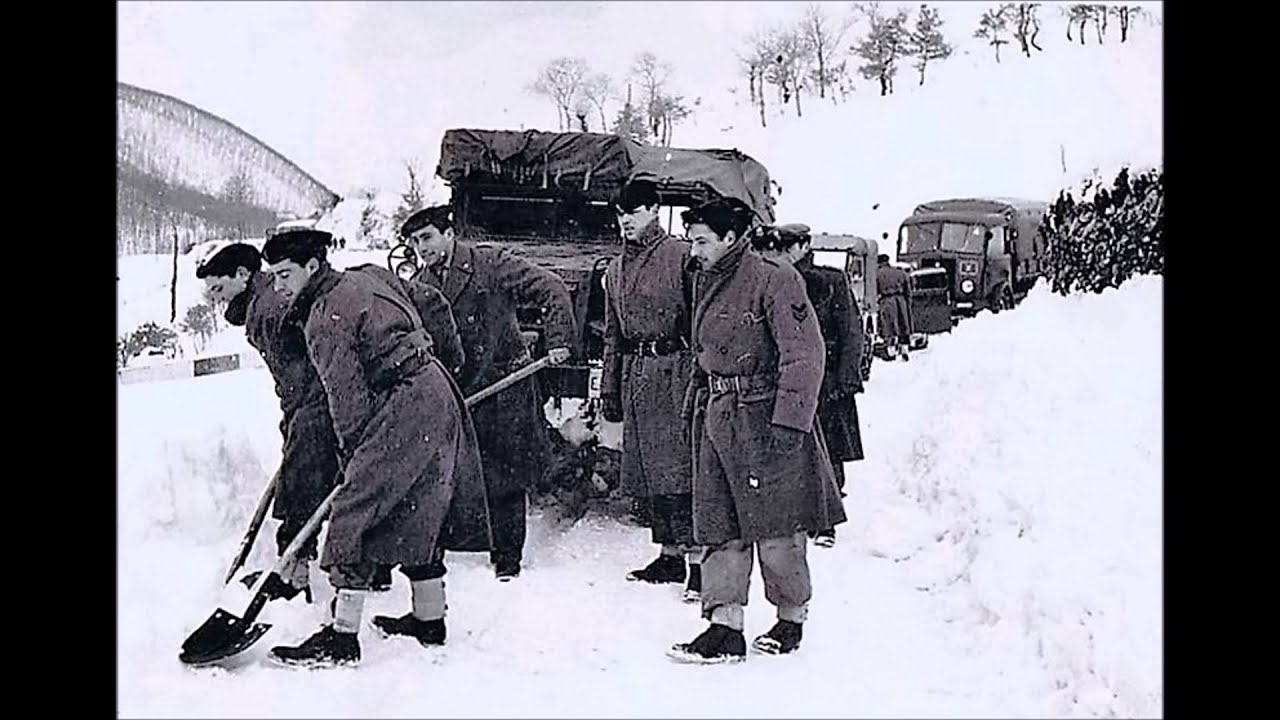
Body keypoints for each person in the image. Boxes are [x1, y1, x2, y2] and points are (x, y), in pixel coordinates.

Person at [260, 229, 492, 667]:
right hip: (436, 388)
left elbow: (345, 399)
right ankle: (430, 618)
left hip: (402, 403)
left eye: (285, 275)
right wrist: (446, 361)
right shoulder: (369, 274)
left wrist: (353, 460)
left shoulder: (323, 317)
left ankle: (341, 636)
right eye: (273, 277)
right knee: (421, 502)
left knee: (355, 510)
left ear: (312, 267)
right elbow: (433, 303)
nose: (279, 286)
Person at [669, 198, 847, 664]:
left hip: (763, 416)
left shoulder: (775, 278)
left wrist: (790, 422)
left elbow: (805, 355)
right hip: (718, 414)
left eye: (702, 241)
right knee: (719, 521)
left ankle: (791, 618)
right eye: (692, 241)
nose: (694, 250)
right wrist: (695, 403)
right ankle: (724, 627)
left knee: (777, 525)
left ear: (731, 237)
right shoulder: (707, 277)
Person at [401, 205, 576, 581]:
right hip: (463, 390)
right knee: (460, 469)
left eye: (427, 237)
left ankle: (508, 557)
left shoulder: (491, 263)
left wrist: (559, 341)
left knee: (507, 471)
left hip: (506, 385)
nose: (421, 247)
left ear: (449, 233)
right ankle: (461, 541)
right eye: (415, 242)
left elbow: (552, 288)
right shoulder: (421, 282)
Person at [195, 241, 337, 604]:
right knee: (305, 483)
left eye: (219, 288)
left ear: (243, 275)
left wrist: (298, 421)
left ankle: (294, 575)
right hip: (312, 403)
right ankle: (299, 568)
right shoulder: (264, 300)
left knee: (302, 484)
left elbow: (299, 374)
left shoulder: (266, 308)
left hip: (315, 405)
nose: (215, 298)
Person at [600, 180, 703, 601]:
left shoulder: (682, 256)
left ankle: (698, 564)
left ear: (655, 211)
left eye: (635, 213)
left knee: (682, 469)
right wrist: (610, 387)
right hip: (637, 372)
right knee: (649, 468)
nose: (626, 221)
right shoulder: (615, 268)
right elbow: (612, 335)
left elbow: (701, 321)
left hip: (677, 369)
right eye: (622, 214)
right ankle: (669, 554)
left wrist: (700, 378)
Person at [749, 224, 865, 548]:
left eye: (786, 247)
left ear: (803, 246)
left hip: (827, 380)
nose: (779, 254)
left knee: (829, 449)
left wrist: (845, 379)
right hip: (786, 377)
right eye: (774, 249)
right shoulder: (768, 281)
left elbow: (850, 332)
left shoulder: (828, 281)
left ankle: (827, 521)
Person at [877, 253, 913, 361]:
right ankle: (905, 350)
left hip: (886, 301)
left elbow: (874, 291)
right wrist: (907, 302)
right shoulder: (900, 272)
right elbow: (908, 290)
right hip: (901, 300)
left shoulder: (877, 274)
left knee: (889, 327)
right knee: (903, 325)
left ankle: (891, 351)